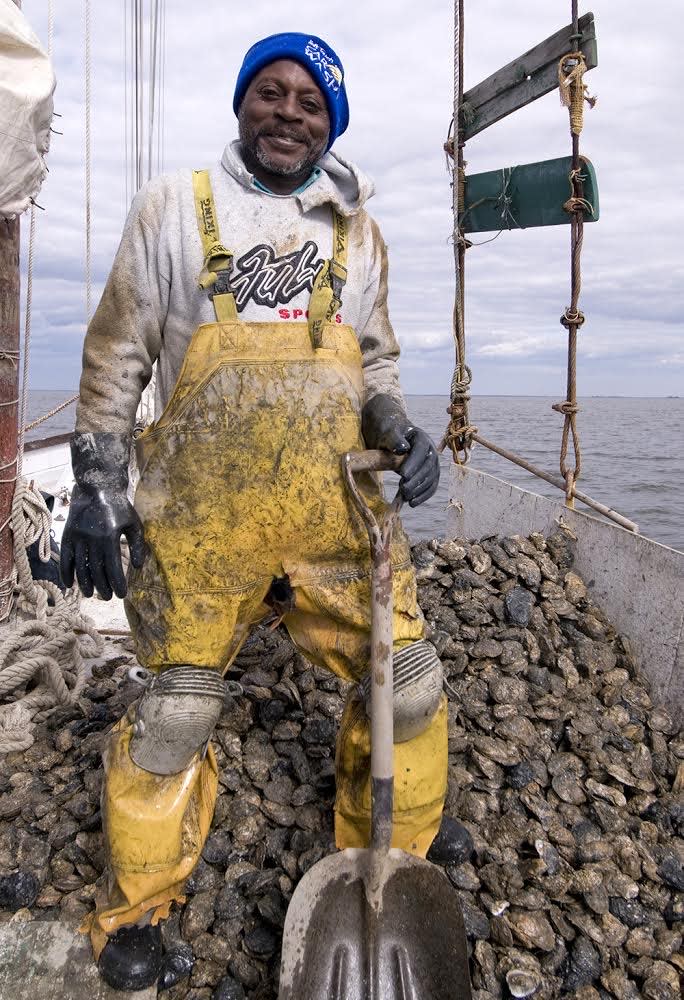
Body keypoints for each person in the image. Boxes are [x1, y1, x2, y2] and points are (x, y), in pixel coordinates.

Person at [61, 32, 449, 992]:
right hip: (201, 525)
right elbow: (117, 354)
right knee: (173, 716)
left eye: (310, 102)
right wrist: (96, 485)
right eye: (271, 93)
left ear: (332, 123)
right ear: (243, 105)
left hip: (332, 522)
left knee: (407, 690)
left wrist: (398, 424)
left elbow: (376, 359)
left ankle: (389, 861)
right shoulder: (174, 211)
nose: (288, 113)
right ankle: (141, 902)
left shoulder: (359, 234)